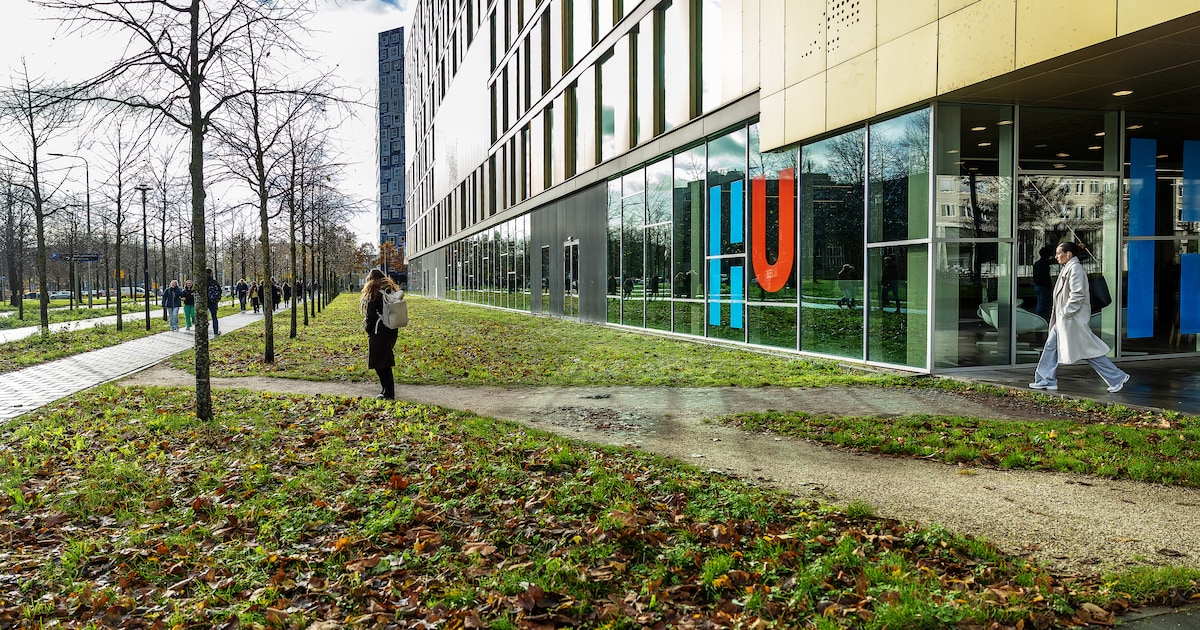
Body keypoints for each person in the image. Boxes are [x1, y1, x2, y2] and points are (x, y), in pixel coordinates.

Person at [1030, 242, 1129, 393]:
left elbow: (1077, 294)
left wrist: (1065, 313)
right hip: (1066, 320)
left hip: (1071, 320)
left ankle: (1117, 377)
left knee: (1089, 351)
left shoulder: (1075, 269)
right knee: (1052, 348)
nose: (1056, 256)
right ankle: (1046, 379)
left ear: (1068, 254)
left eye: (1058, 253)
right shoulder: (1070, 268)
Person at [361, 268, 400, 400]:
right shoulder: (390, 289)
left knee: (380, 363)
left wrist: (368, 328)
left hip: (378, 330)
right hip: (391, 328)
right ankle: (386, 390)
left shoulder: (375, 291)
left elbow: (370, 314)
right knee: (384, 361)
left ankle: (388, 392)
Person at [1032, 245, 1054, 322]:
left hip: (1038, 285)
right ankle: (1039, 319)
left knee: (1040, 302)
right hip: (1044, 285)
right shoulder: (1045, 263)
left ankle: (1039, 318)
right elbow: (1045, 276)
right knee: (1043, 303)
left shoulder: (1037, 263)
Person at [205, 268, 222, 336]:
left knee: (204, 317)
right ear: (211, 273)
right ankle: (215, 331)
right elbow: (219, 291)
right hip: (213, 302)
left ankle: (204, 331)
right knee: (214, 317)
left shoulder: (203, 282)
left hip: (204, 302)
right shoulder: (214, 282)